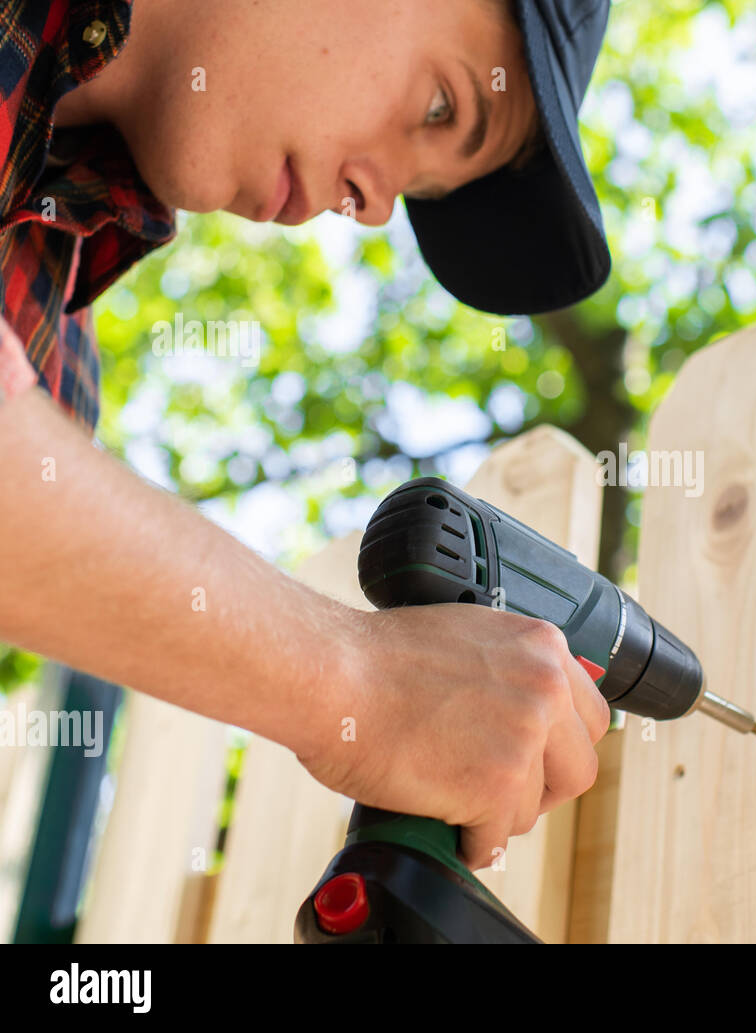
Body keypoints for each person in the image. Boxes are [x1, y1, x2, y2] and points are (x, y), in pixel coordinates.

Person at [0, 0, 614, 872]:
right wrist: (360, 681)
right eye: (442, 105)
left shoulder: (52, 364)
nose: (371, 209)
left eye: (422, 188)